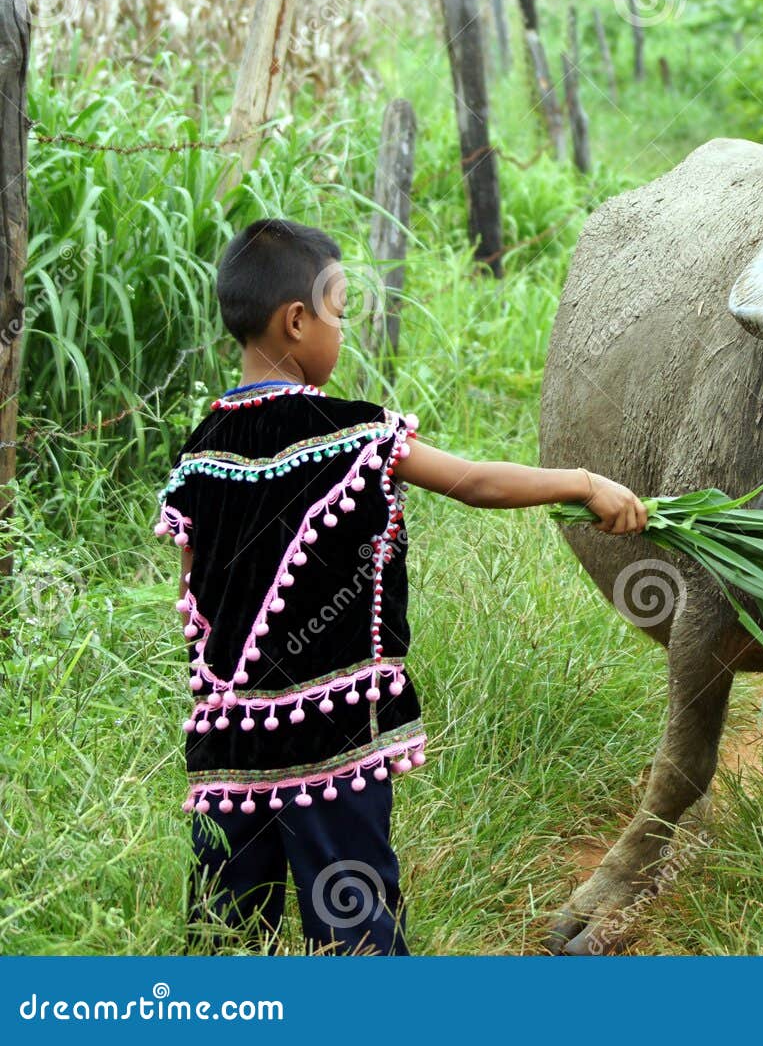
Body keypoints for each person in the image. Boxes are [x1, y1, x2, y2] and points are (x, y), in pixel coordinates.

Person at [158, 218, 647, 955]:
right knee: (355, 932)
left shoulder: (199, 456)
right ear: (297, 320)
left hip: (226, 747)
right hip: (333, 740)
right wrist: (584, 482)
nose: (342, 332)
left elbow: (196, 600)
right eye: (340, 313)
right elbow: (475, 481)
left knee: (226, 934)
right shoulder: (356, 436)